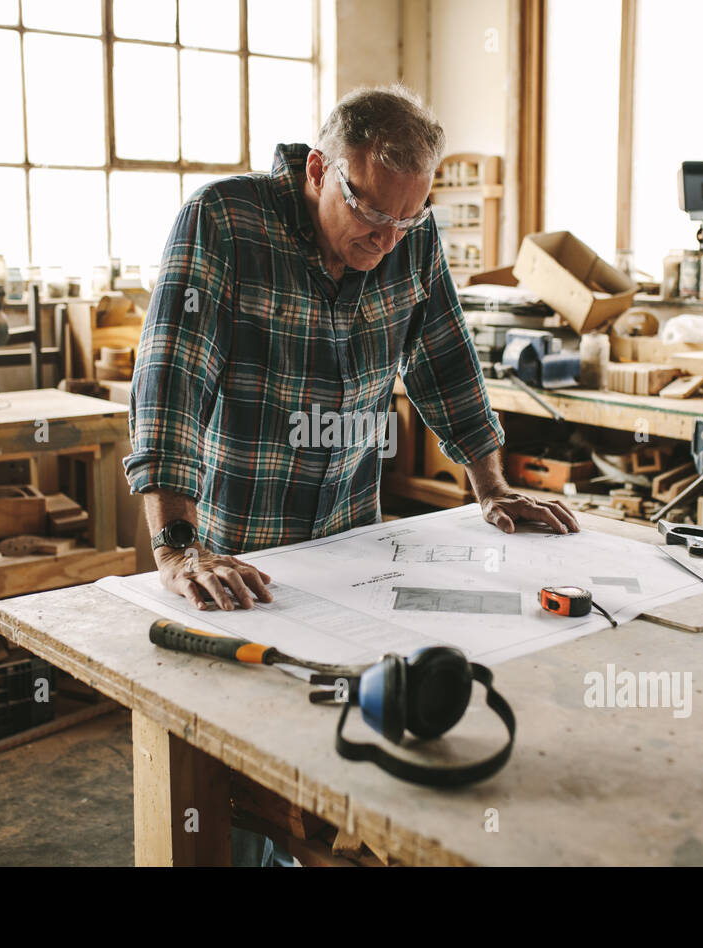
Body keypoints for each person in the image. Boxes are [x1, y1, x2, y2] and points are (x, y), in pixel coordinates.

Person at [126, 84, 578, 865]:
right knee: (231, 787)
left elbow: (445, 357)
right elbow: (172, 377)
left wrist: (492, 486)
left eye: (409, 217)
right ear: (318, 170)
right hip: (239, 554)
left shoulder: (411, 235)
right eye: (370, 213)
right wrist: (175, 545)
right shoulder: (225, 222)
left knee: (333, 772)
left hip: (348, 548)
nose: (387, 237)